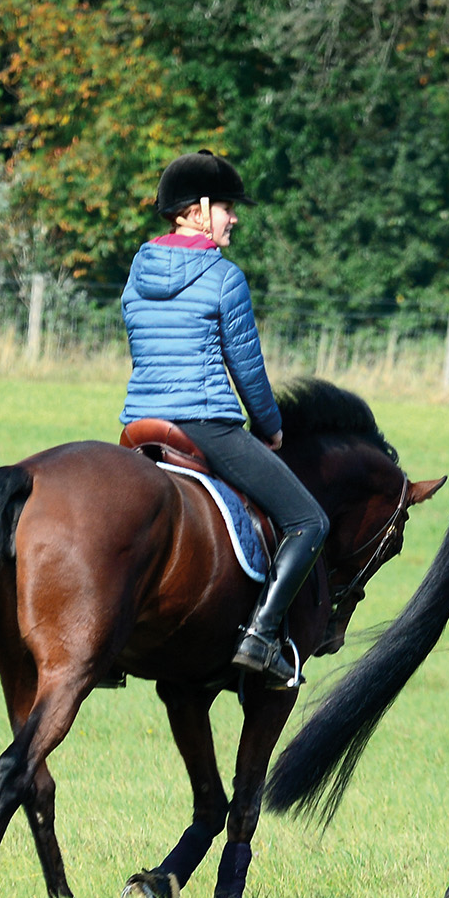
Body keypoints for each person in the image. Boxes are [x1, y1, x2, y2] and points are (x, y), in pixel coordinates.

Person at [119, 150, 329, 685]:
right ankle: (261, 636)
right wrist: (271, 427)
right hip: (204, 424)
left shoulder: (136, 272)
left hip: (139, 426)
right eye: (228, 207)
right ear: (197, 210)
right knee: (310, 520)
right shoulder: (223, 277)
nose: (234, 218)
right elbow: (247, 370)